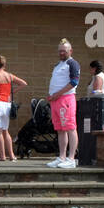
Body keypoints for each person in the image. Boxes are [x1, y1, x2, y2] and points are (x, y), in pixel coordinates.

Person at [47, 38, 80, 168]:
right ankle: (62, 157)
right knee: (60, 129)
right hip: (55, 100)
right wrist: (52, 95)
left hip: (66, 99)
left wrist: (57, 94)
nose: (61, 53)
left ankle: (71, 158)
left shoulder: (73, 64)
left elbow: (74, 82)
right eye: (60, 51)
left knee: (70, 128)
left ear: (70, 51)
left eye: (64, 51)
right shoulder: (58, 65)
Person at [0, 56, 27, 161]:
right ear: (4, 65)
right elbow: (24, 83)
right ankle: (12, 155)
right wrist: (11, 92)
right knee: (5, 131)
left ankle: (2, 156)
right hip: (6, 104)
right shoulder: (9, 76)